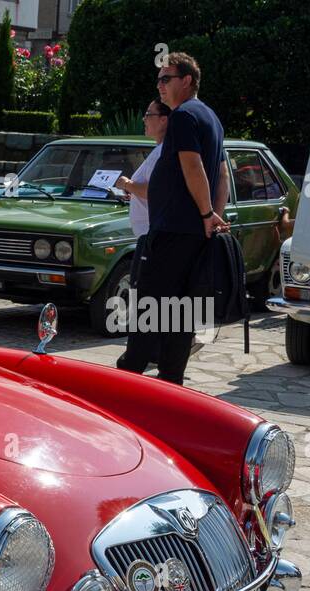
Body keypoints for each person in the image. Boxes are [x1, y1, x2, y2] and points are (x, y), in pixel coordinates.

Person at [116, 52, 229, 386]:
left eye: (166, 79)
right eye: (159, 79)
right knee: (181, 314)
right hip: (194, 233)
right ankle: (170, 384)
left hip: (172, 232)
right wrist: (210, 216)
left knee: (149, 310)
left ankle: (126, 384)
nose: (160, 86)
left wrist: (208, 213)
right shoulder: (212, 117)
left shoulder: (183, 116)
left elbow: (193, 166)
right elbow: (222, 174)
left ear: (187, 81)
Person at [114, 98, 170, 237]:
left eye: (149, 115)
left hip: (152, 234)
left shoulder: (161, 153)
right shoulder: (162, 150)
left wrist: (127, 184)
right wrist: (134, 193)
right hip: (151, 233)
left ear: (164, 119)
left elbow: (152, 191)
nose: (144, 119)